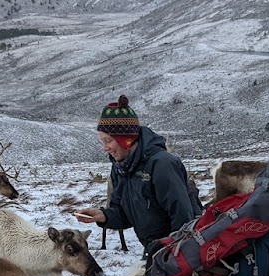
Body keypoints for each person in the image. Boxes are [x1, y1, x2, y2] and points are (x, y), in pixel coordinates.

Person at [72, 95, 202, 253]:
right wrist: (102, 216)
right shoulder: (121, 169)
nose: (105, 148)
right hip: (156, 250)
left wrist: (172, 258)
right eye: (102, 141)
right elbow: (124, 215)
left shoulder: (161, 165)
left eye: (108, 141)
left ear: (125, 140)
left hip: (180, 250)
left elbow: (183, 219)